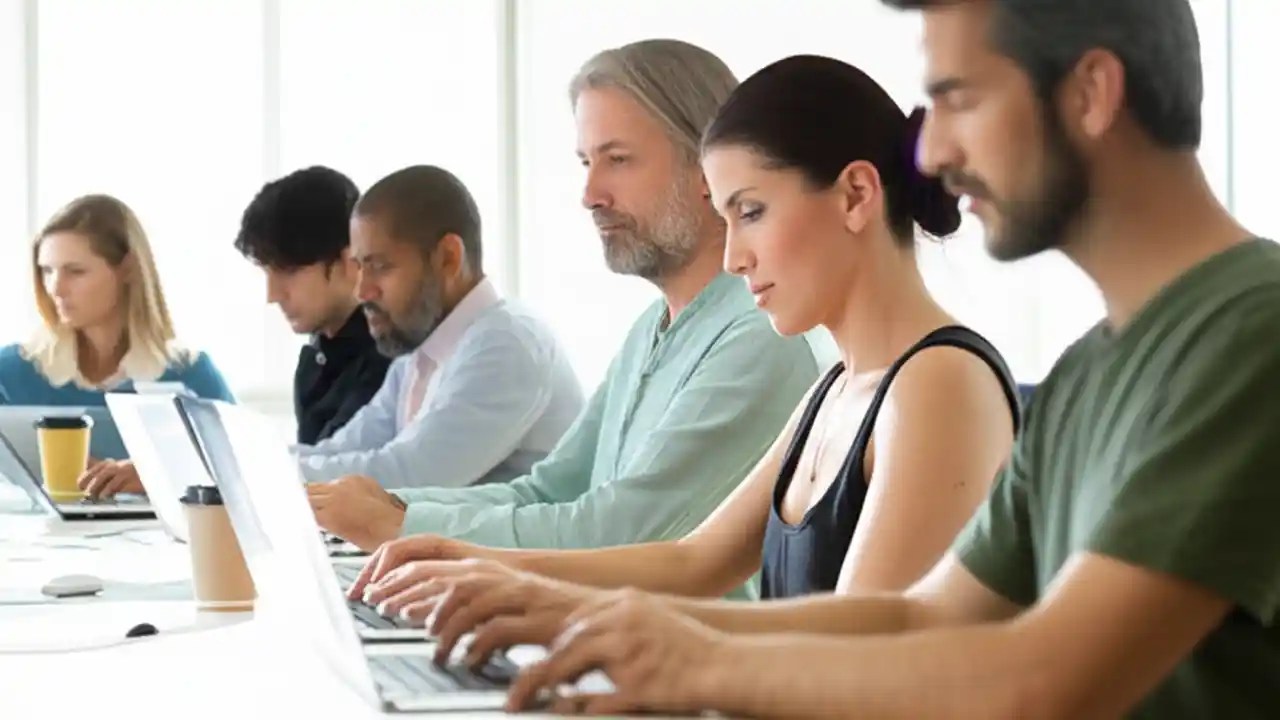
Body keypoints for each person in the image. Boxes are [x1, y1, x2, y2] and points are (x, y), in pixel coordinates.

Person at [456, 2, 1280, 717]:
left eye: (958, 100)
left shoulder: (1254, 331)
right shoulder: (1087, 375)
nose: (931, 154)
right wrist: (615, 623)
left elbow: (1041, 682)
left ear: (1091, 92)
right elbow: (925, 620)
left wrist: (693, 657)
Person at [351, 56, 1024, 641]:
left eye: (752, 212)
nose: (733, 257)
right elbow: (693, 562)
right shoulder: (835, 391)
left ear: (855, 195)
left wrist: (574, 612)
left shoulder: (938, 385)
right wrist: (476, 565)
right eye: (726, 219)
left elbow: (861, 648)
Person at [306, 39, 819, 559]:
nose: (591, 194)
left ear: (710, 168)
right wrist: (386, 506)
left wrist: (401, 523)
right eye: (585, 163)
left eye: (617, 160)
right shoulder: (652, 328)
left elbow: (617, 534)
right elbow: (549, 491)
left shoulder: (761, 336)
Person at [297, 165, 585, 501]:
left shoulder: (507, 343)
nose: (362, 291)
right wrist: (246, 464)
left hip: (517, 552)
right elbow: (339, 451)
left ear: (448, 258)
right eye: (360, 268)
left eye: (380, 267)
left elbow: (412, 475)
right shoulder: (417, 356)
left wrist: (260, 476)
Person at [0, 194, 234, 499]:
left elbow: (242, 478)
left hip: (154, 545)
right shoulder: (9, 373)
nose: (55, 288)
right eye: (47, 271)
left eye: (75, 271)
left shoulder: (191, 375)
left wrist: (158, 475)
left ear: (127, 269)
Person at [234, 166, 391, 445]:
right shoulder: (315, 360)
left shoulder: (388, 359)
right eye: (267, 271)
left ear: (349, 261)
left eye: (288, 271)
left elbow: (337, 468)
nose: (273, 294)